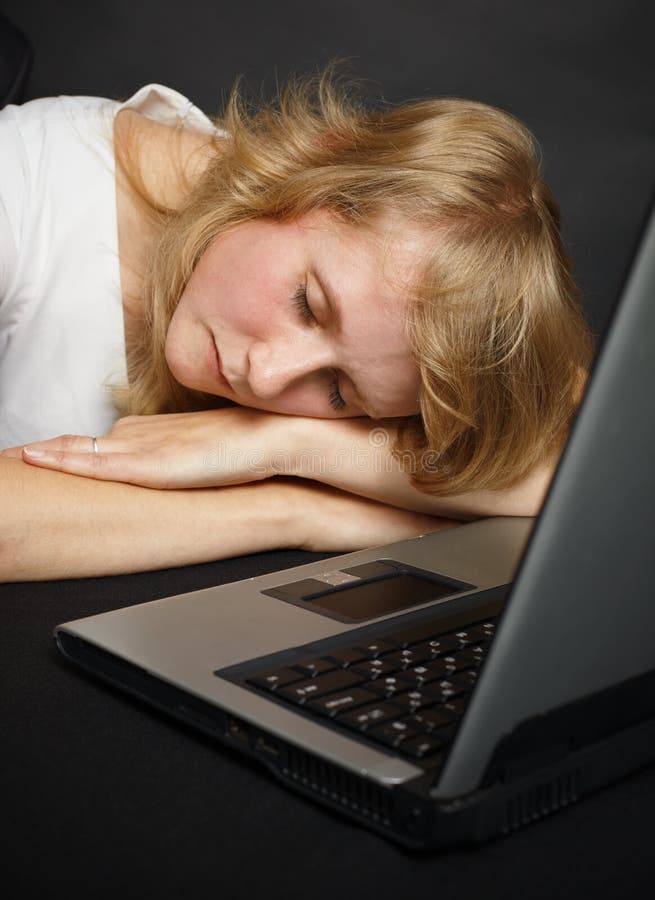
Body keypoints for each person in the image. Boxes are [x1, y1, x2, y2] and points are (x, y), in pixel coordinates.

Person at [0, 62, 593, 582]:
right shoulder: (24, 188)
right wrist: (295, 510)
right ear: (318, 167)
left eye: (338, 391)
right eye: (307, 304)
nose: (267, 375)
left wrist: (296, 446)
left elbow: (596, 472)